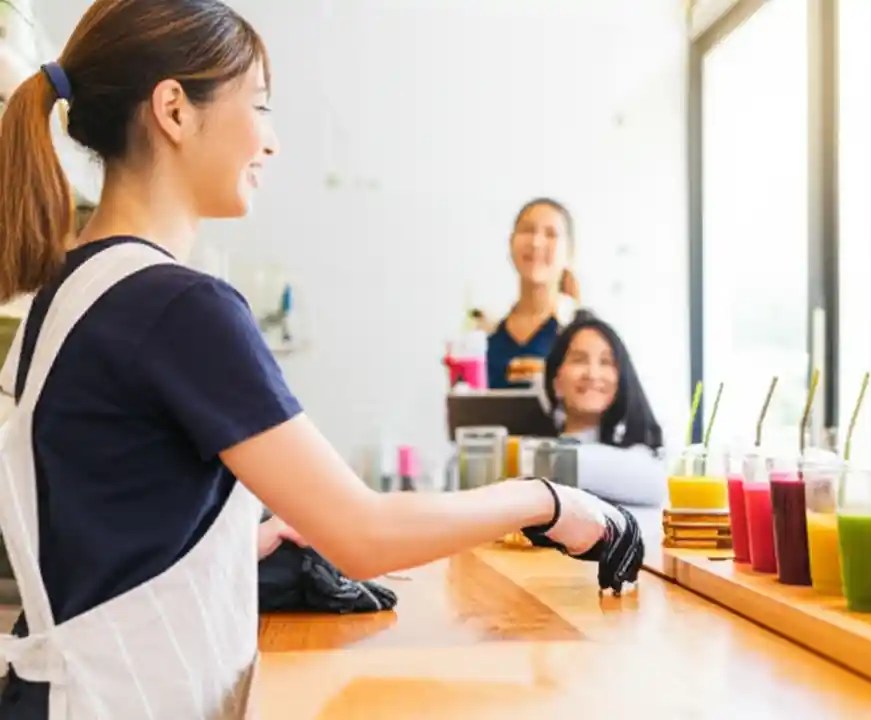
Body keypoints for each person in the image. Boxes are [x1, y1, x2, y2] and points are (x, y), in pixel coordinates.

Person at [0, 1, 640, 717]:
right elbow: (365, 535)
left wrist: (237, 546)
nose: (271, 142)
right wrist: (551, 502)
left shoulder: (69, 291)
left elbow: (93, 533)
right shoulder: (178, 307)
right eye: (261, 106)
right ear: (175, 111)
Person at [543, 315, 665, 506]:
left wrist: (541, 462)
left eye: (606, 362)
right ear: (556, 382)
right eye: (579, 360)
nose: (592, 374)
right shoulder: (538, 445)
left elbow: (657, 484)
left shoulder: (640, 459)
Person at [484, 198, 580, 390]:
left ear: (570, 252)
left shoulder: (580, 330)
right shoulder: (486, 334)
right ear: (511, 244)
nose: (536, 242)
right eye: (527, 230)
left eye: (551, 234)